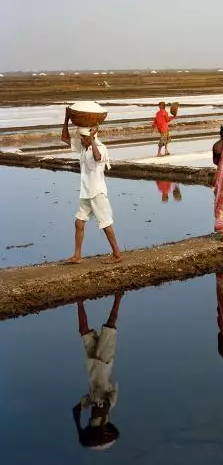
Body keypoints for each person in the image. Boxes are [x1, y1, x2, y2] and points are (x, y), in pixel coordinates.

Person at [61, 109, 122, 264]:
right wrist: (67, 119)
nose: (80, 140)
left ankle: (117, 254)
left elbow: (97, 157)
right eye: (81, 138)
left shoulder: (99, 147)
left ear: (90, 137)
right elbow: (64, 138)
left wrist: (93, 140)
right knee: (79, 222)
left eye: (83, 138)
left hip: (97, 193)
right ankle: (77, 256)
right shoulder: (83, 147)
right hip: (86, 193)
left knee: (106, 224)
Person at [72, 294, 123, 450]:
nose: (94, 414)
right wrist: (100, 425)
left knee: (83, 331)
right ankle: (118, 297)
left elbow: (77, 408)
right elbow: (105, 405)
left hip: (92, 364)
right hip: (104, 362)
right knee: (110, 326)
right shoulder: (109, 403)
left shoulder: (91, 400)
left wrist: (79, 425)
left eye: (92, 417)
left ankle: (79, 301)